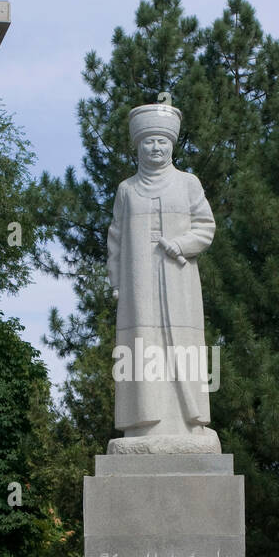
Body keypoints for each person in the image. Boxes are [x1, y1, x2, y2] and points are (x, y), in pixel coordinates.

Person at [107, 103, 219, 448]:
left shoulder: (187, 184)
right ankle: (145, 425)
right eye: (149, 142)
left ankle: (189, 425)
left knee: (181, 349)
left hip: (179, 283)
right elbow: (116, 239)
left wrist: (183, 245)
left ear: (172, 145)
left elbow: (206, 225)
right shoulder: (127, 190)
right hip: (138, 289)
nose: (156, 148)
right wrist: (116, 283)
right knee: (142, 349)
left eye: (162, 142)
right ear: (137, 146)